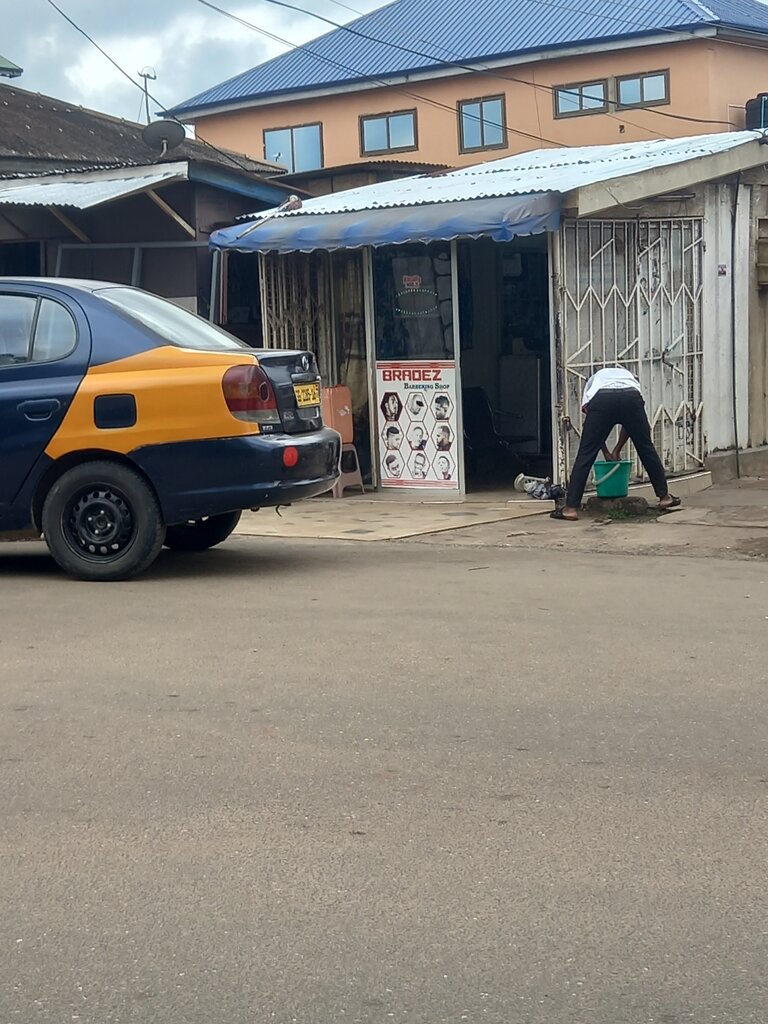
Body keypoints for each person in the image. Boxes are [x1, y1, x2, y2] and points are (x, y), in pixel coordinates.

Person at [551, 365, 680, 521]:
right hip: (631, 398)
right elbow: (629, 425)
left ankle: (570, 508)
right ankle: (665, 497)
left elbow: (593, 432)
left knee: (586, 453)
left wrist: (607, 451)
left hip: (602, 399)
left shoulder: (594, 381)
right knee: (646, 447)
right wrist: (617, 449)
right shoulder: (631, 380)